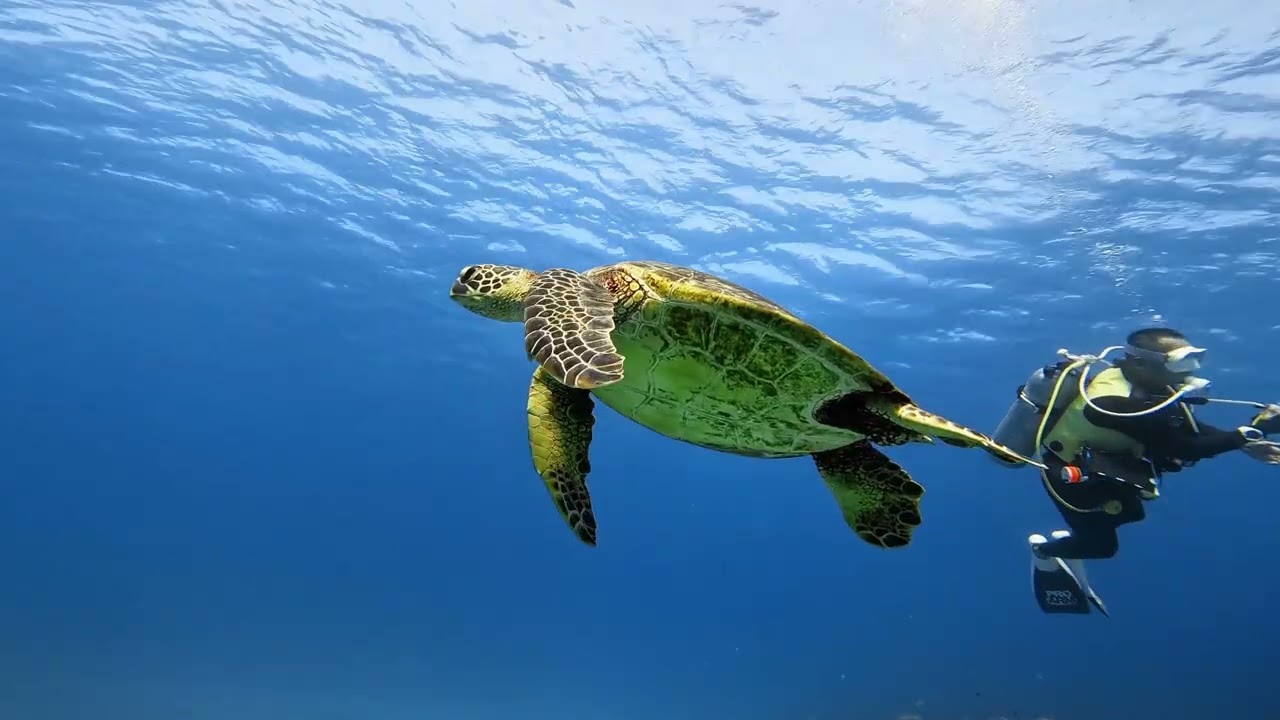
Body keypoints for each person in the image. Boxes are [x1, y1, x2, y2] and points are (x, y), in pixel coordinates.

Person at [989, 327, 1280, 617]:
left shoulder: (1152, 387)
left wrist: (1243, 440)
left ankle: (1073, 536)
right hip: (1069, 475)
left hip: (1107, 464)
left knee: (1128, 514)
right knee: (1102, 546)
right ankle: (1044, 551)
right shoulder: (1110, 405)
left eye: (1194, 360)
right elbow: (1183, 448)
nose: (1189, 370)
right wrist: (1253, 431)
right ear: (1141, 363)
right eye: (1180, 362)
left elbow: (1181, 426)